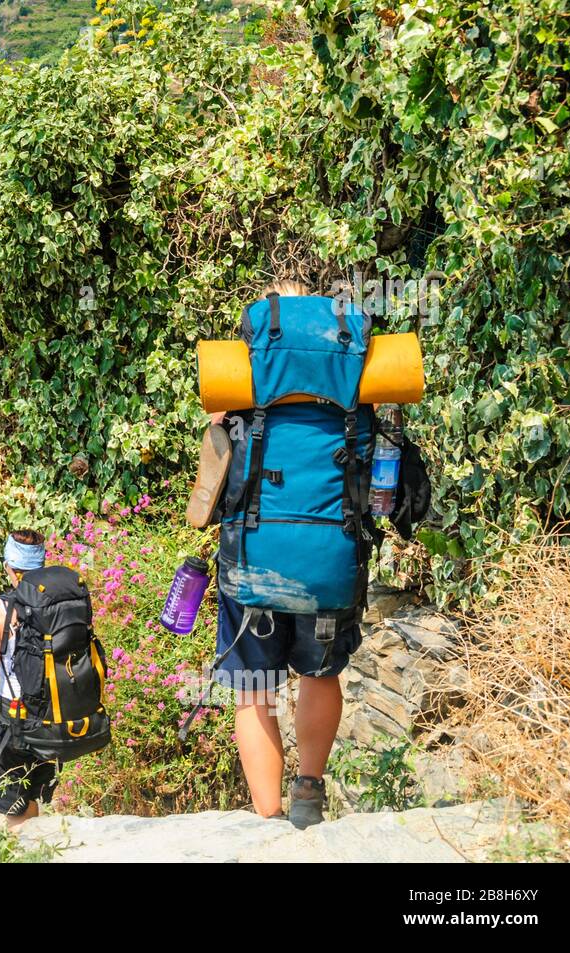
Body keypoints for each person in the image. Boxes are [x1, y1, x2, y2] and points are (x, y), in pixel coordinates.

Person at [209, 279, 359, 829]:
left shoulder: (237, 387)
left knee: (253, 689)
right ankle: (309, 789)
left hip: (253, 561)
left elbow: (213, 482)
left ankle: (269, 818)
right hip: (331, 561)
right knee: (320, 675)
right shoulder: (352, 384)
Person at [0, 530, 57, 829]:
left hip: (13, 713)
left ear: (10, 567)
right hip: (53, 711)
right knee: (32, 797)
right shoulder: (61, 602)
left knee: (12, 802)